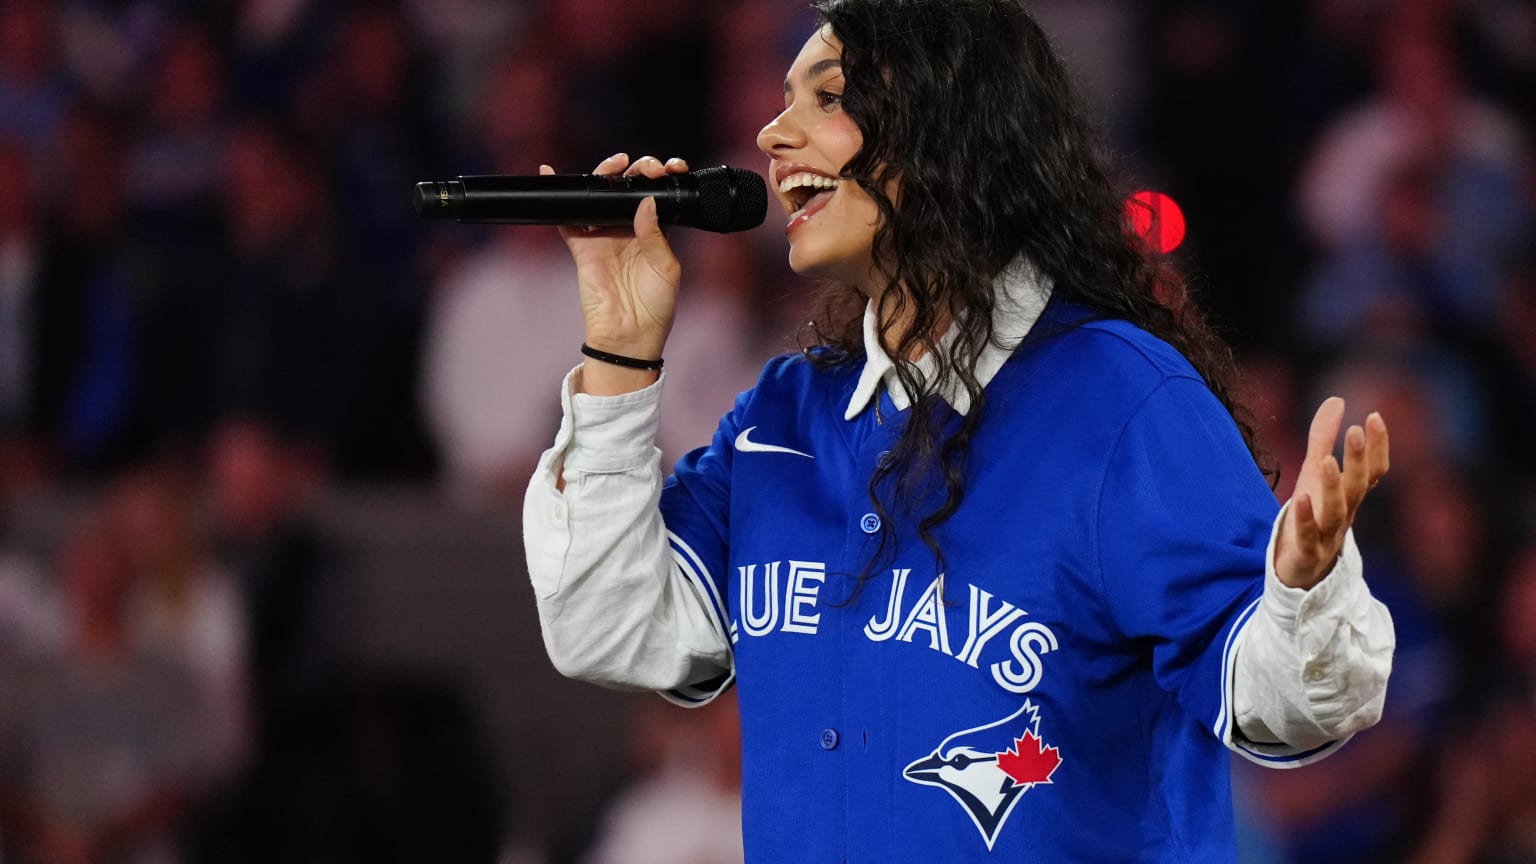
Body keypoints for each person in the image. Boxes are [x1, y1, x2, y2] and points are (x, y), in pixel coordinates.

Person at [521, 0, 1395, 859]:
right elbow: (612, 626)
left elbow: (1280, 704)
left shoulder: (1124, 399)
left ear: (949, 123)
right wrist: (620, 351)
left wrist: (1303, 592)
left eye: (826, 97)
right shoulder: (784, 417)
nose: (772, 135)